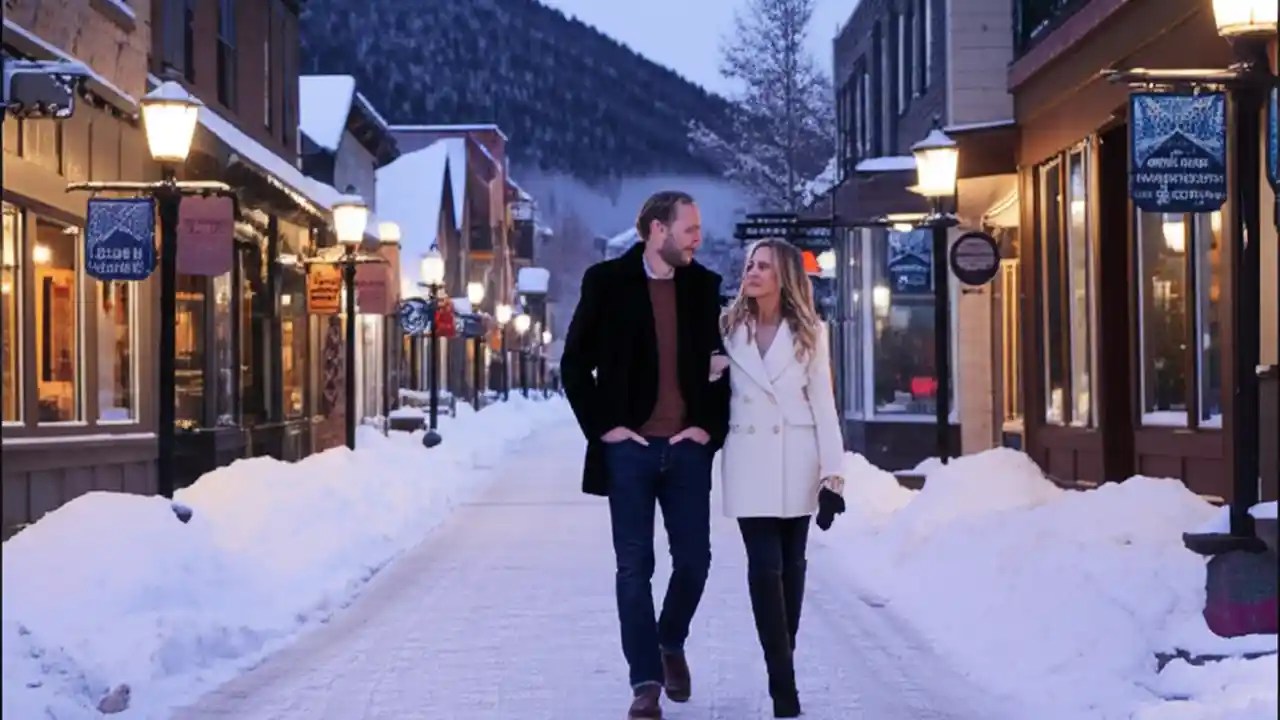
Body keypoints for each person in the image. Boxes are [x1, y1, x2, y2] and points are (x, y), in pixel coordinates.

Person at [561, 190, 730, 720]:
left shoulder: (704, 288)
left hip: (686, 451)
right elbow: (573, 366)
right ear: (657, 231)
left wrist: (708, 428)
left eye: (698, 229)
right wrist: (603, 428)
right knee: (634, 568)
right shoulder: (607, 284)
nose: (697, 238)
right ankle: (645, 682)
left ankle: (670, 640)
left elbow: (720, 367)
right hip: (629, 453)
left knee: (695, 563)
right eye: (689, 229)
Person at [717, 238, 845, 718]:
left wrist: (834, 477)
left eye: (763, 266)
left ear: (784, 277)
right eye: (750, 264)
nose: (751, 272)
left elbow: (824, 408)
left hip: (798, 458)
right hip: (749, 457)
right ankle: (782, 681)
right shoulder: (728, 329)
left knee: (793, 565)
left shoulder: (810, 333)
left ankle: (781, 656)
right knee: (765, 566)